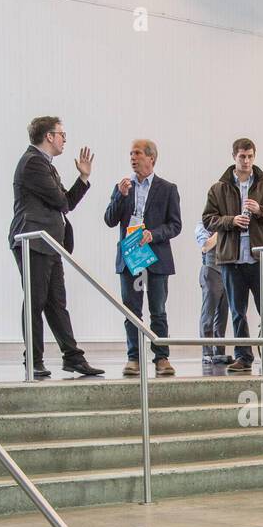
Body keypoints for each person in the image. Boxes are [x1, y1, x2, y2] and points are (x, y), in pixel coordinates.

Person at [7, 116, 104, 378]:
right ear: (48, 136)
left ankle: (72, 357)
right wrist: (72, 189)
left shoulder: (45, 165)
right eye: (62, 134)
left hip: (48, 244)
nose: (64, 140)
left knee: (56, 303)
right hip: (33, 241)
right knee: (36, 301)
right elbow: (61, 201)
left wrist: (83, 178)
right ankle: (33, 359)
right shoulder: (33, 163)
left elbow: (67, 203)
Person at [202, 138, 263, 375]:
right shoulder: (218, 188)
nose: (246, 160)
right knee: (237, 311)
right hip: (231, 260)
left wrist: (260, 211)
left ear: (255, 156)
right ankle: (243, 356)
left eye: (250, 156)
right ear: (234, 156)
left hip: (260, 259)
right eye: (242, 156)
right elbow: (208, 219)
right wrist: (231, 221)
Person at [103, 139, 182, 378]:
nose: (133, 158)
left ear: (151, 158)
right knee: (131, 310)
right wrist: (119, 196)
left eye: (137, 153)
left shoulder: (168, 188)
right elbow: (109, 220)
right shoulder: (122, 187)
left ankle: (162, 357)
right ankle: (134, 358)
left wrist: (153, 234)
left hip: (156, 256)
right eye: (130, 154)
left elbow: (175, 225)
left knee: (158, 309)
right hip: (130, 256)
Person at [195, 220, 231, 367]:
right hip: (211, 270)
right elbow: (205, 246)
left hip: (227, 271)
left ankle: (219, 352)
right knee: (208, 315)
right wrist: (221, 230)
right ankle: (207, 352)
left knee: (222, 316)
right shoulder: (202, 225)